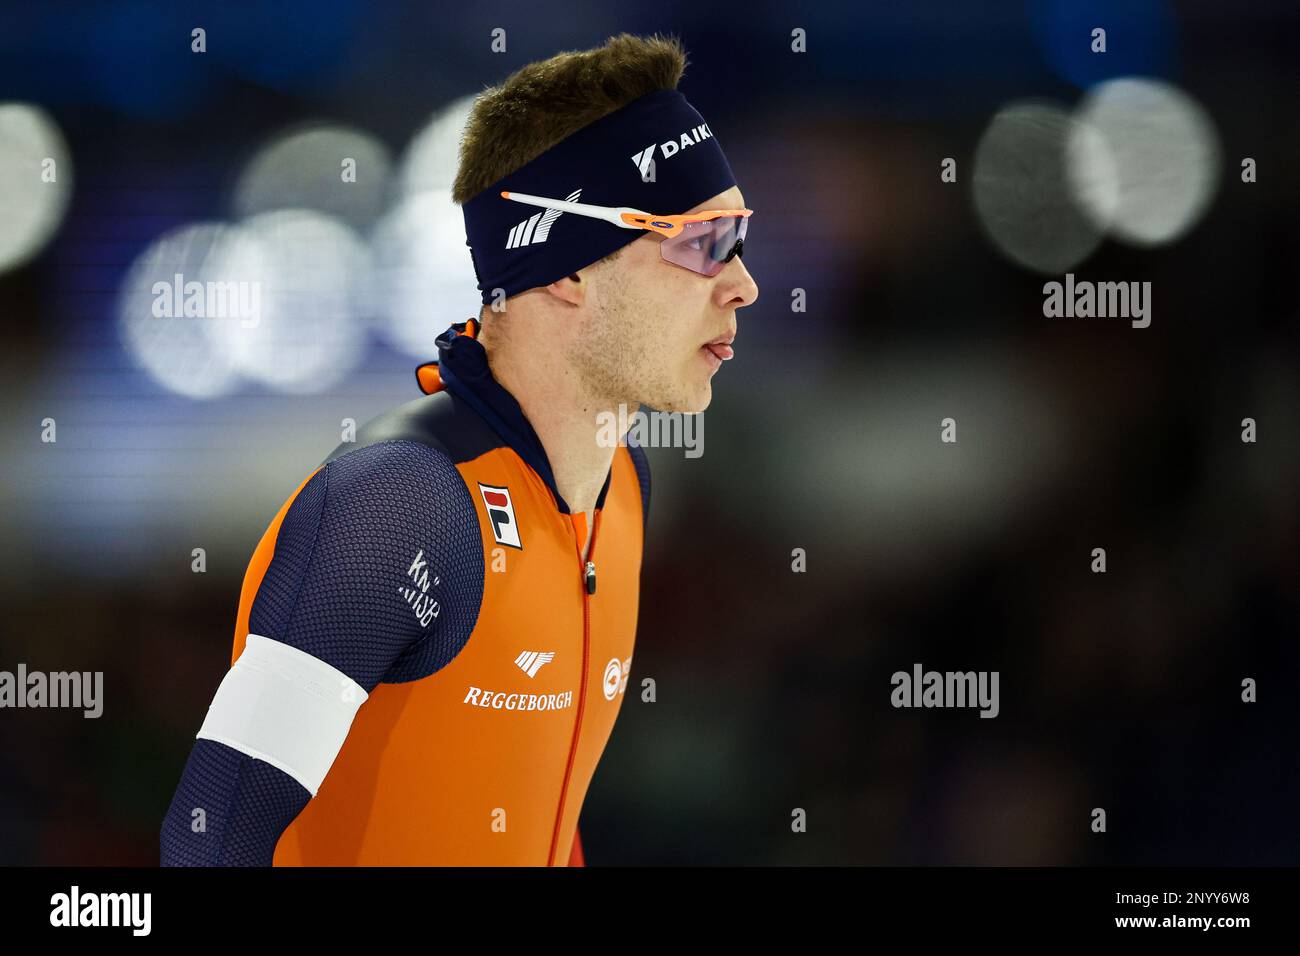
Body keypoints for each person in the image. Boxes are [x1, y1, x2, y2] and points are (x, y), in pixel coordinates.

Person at [160, 31, 759, 866]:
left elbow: (529, 808)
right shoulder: (400, 506)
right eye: (703, 243)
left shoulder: (623, 482)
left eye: (739, 235)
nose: (744, 283)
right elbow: (209, 837)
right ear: (565, 269)